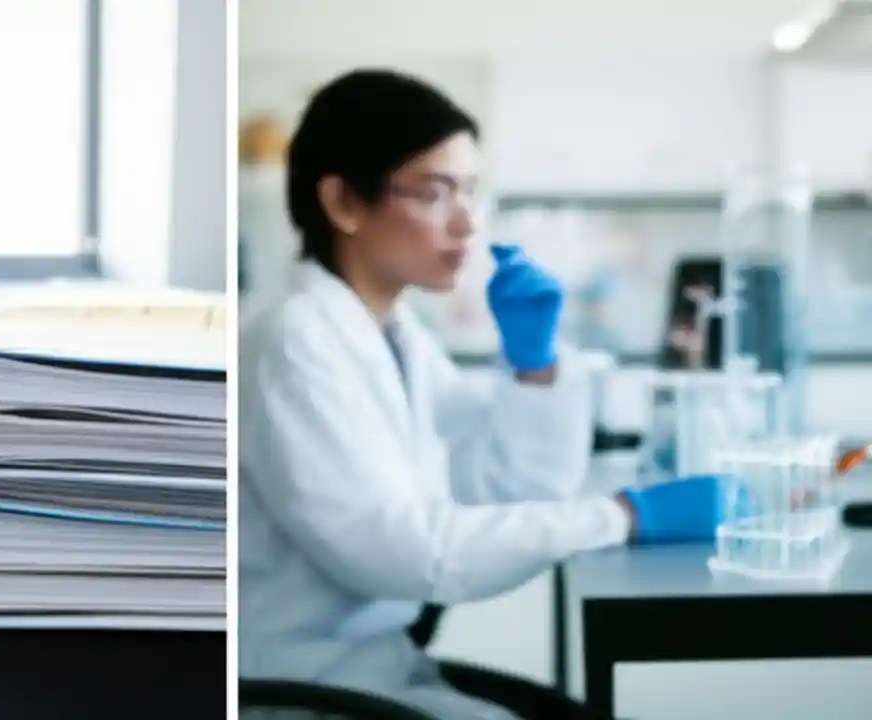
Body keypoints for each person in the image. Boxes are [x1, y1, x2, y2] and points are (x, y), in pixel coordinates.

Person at [239, 69, 726, 720]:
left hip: (375, 671)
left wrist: (534, 365)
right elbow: (408, 551)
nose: (468, 223)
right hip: (307, 689)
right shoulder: (295, 339)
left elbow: (508, 480)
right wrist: (625, 516)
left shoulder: (393, 330)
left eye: (471, 192)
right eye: (436, 193)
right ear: (343, 203)